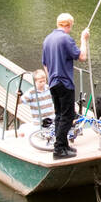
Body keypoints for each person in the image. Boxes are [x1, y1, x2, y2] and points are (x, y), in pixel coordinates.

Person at [41, 12, 89, 159]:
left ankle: (64, 146)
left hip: (53, 83)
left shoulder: (47, 39)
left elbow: (45, 64)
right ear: (68, 25)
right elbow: (82, 57)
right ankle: (59, 149)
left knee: (59, 115)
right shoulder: (66, 39)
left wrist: (50, 81)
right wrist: (83, 39)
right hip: (65, 83)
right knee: (67, 116)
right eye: (71, 26)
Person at [22, 69, 55, 136]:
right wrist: (19, 96)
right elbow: (21, 101)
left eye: (44, 81)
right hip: (39, 122)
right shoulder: (31, 92)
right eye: (40, 82)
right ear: (35, 82)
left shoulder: (49, 89)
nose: (43, 83)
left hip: (51, 119)